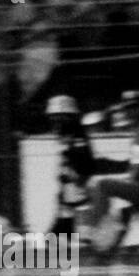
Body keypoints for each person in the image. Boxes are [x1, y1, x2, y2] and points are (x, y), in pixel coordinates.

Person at [86, 91, 139, 248]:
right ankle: (109, 246)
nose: (128, 112)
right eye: (127, 108)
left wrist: (127, 189)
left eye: (133, 107)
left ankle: (98, 236)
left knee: (103, 185)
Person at [44, 94, 96, 236]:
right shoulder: (67, 137)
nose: (55, 122)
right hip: (69, 195)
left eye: (58, 118)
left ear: (69, 117)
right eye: (53, 118)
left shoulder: (77, 138)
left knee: (82, 236)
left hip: (77, 194)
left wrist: (72, 179)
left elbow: (84, 166)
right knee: (60, 233)